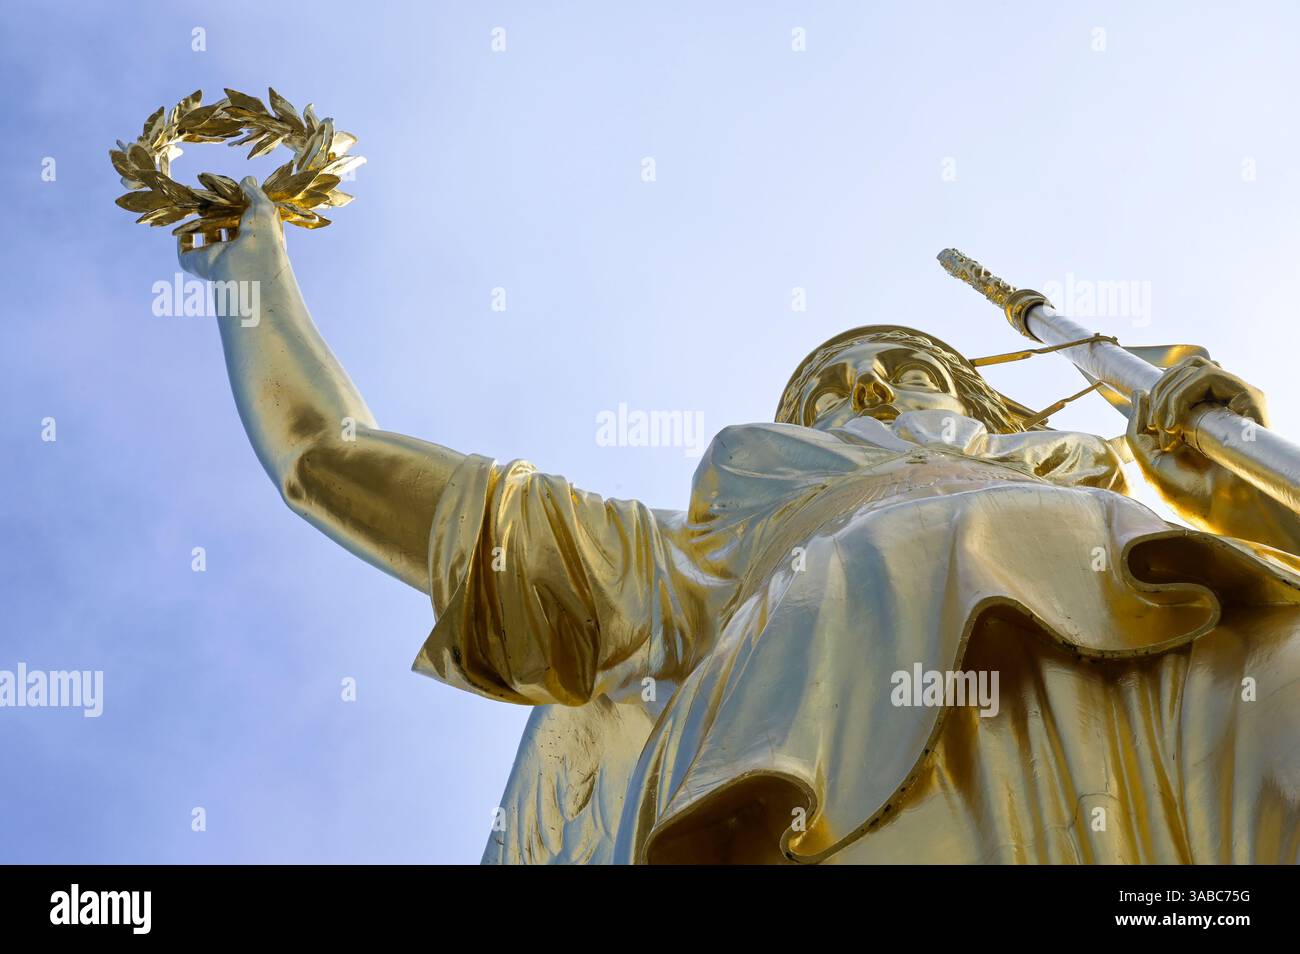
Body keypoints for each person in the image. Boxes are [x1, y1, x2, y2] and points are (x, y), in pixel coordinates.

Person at [179, 180, 1300, 864]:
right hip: (832, 737)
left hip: (1186, 616)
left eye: (905, 363)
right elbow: (325, 458)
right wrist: (253, 279)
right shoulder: (688, 558)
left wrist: (1209, 455)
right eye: (832, 381)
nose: (867, 382)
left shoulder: (1106, 469)